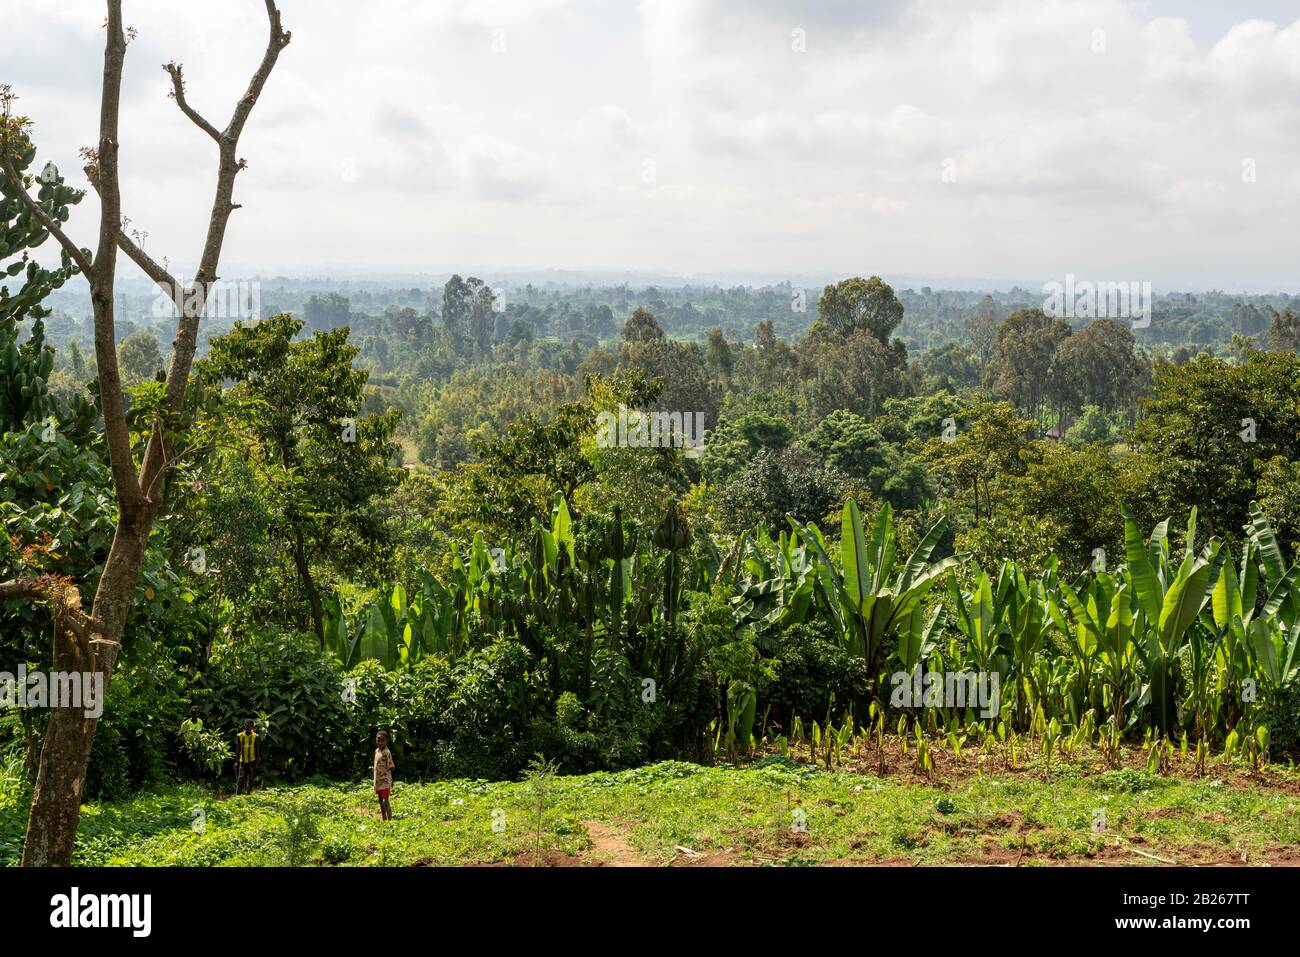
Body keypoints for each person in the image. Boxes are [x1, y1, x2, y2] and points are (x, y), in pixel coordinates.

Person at [372, 730, 395, 821]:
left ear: (386, 741)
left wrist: (391, 779)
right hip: (378, 781)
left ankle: (389, 821)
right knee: (381, 801)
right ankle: (384, 819)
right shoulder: (377, 751)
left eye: (383, 740)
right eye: (378, 740)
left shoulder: (387, 752)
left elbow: (392, 767)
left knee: (385, 801)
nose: (380, 742)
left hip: (385, 781)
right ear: (376, 740)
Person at [179, 705, 204, 780]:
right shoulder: (185, 724)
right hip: (187, 747)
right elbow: (181, 736)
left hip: (197, 746)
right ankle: (191, 782)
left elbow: (201, 732)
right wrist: (182, 746)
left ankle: (194, 782)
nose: (194, 715)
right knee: (193, 765)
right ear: (190, 714)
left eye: (196, 714)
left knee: (196, 766)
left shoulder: (200, 721)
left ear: (198, 714)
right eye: (193, 713)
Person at [235, 719, 258, 794]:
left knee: (251, 779)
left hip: (252, 761)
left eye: (250, 726)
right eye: (247, 726)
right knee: (240, 778)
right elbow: (238, 750)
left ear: (253, 727)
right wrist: (236, 762)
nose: (248, 727)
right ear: (244, 726)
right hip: (242, 761)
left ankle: (248, 794)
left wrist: (257, 762)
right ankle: (237, 795)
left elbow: (257, 750)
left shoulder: (255, 736)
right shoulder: (240, 736)